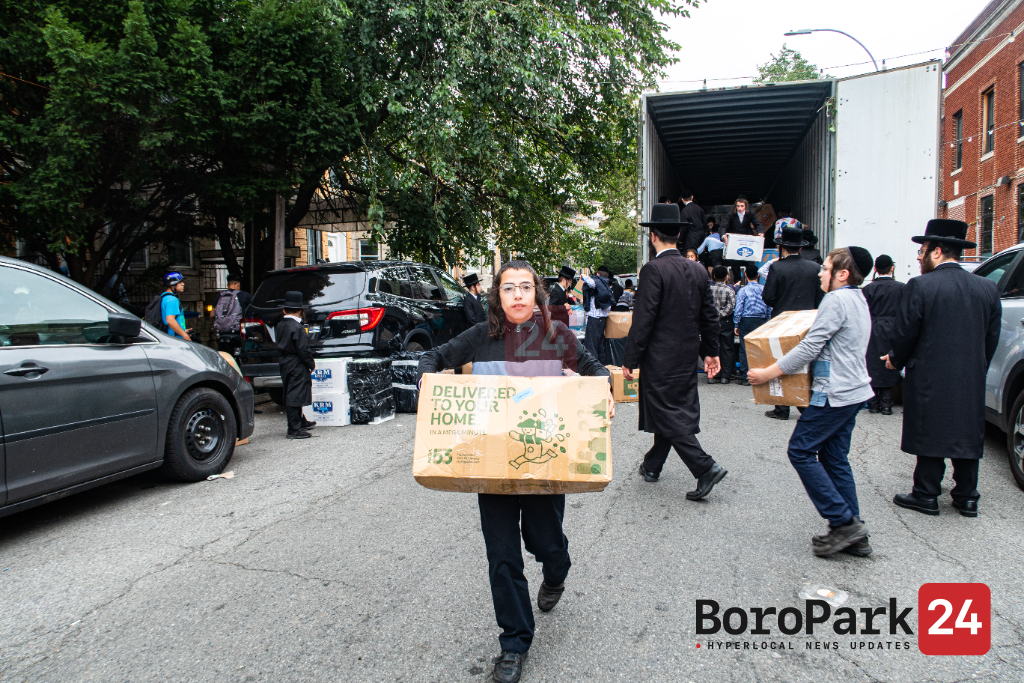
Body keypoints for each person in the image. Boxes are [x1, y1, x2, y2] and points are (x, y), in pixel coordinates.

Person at [418, 260, 613, 683]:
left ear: (537, 294)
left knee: (544, 542)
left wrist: (605, 393)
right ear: (498, 296)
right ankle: (514, 643)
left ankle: (557, 569)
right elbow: (434, 357)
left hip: (546, 463)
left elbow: (595, 370)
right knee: (502, 556)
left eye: (526, 287)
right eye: (509, 289)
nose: (518, 296)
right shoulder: (482, 337)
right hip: (491, 467)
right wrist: (426, 384)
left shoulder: (556, 337)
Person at [748, 247, 876, 556]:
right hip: (854, 392)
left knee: (801, 450)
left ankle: (844, 521)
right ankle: (853, 534)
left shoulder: (835, 300)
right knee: (834, 458)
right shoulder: (858, 299)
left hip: (834, 393)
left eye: (826, 268)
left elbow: (809, 348)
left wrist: (768, 373)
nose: (820, 272)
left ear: (842, 274)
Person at [883, 220, 1001, 518]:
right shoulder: (988, 288)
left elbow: (905, 332)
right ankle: (967, 497)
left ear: (937, 251)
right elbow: (991, 336)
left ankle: (926, 493)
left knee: (931, 427)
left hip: (929, 371)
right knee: (966, 428)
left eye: (922, 252)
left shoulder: (921, 285)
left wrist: (896, 359)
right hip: (970, 373)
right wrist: (977, 364)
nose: (919, 258)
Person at [623, 203, 727, 499]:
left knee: (667, 412)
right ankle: (652, 465)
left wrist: (630, 359)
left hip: (660, 358)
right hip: (686, 356)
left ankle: (704, 467)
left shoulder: (653, 269)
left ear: (652, 235)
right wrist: (711, 352)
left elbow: (643, 321)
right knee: (669, 410)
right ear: (679, 236)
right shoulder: (697, 269)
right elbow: (710, 316)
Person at [762, 224, 824, 420]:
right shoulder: (815, 268)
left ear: (782, 247)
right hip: (806, 322)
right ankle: (806, 405)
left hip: (781, 321)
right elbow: (820, 297)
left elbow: (768, 297)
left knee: (780, 363)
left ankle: (782, 408)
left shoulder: (777, 267)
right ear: (800, 247)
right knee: (805, 364)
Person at [861, 255, 904, 415]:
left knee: (871, 362)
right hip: (893, 327)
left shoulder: (868, 289)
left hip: (872, 327)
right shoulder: (901, 287)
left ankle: (873, 403)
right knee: (889, 361)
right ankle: (886, 403)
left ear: (875, 269)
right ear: (892, 268)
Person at [276, 291, 317, 439]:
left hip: (285, 361)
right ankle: (293, 429)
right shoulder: (297, 327)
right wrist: (311, 363)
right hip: (296, 362)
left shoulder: (280, 325)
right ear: (300, 311)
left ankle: (301, 421)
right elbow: (303, 349)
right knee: (295, 393)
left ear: (284, 310)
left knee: (290, 390)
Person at [733, 264, 772, 386]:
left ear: (745, 275)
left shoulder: (743, 290)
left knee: (744, 348)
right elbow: (769, 307)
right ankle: (759, 374)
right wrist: (767, 320)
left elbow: (738, 308)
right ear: (758, 275)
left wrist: (736, 323)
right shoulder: (764, 289)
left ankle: (745, 376)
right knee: (759, 348)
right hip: (761, 320)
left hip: (746, 321)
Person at [723, 196, 764, 282]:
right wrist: (724, 236)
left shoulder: (750, 213)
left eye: (742, 206)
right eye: (738, 206)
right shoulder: (731, 213)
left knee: (750, 260)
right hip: (735, 239)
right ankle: (738, 281)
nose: (740, 208)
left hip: (747, 239)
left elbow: (757, 224)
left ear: (745, 206)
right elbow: (723, 226)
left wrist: (761, 232)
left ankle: (751, 280)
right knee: (735, 261)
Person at [708, 266, 736, 384]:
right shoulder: (730, 290)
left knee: (712, 347)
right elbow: (731, 306)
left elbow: (704, 305)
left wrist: (713, 315)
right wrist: (721, 314)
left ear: (713, 276)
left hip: (710, 321)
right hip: (726, 321)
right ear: (726, 277)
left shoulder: (708, 289)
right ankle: (725, 376)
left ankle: (712, 375)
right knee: (727, 347)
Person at [581, 266, 614, 364]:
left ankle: (593, 371)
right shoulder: (607, 287)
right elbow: (609, 307)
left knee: (591, 347)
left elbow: (591, 282)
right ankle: (601, 368)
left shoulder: (596, 283)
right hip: (602, 320)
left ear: (598, 274)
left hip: (594, 320)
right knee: (600, 346)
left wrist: (583, 276)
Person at [213, 273, 252, 355]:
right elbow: (252, 312)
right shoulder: (245, 295)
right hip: (237, 332)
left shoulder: (219, 296)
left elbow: (212, 314)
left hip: (222, 333)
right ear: (238, 284)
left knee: (223, 355)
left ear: (228, 284)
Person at [161, 272, 193, 341]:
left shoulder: (164, 297)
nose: (183, 284)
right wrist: (185, 335)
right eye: (180, 282)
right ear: (173, 284)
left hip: (170, 338)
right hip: (175, 340)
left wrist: (182, 330)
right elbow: (170, 320)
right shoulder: (172, 300)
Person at [679, 188, 707, 253]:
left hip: (690, 239)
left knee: (690, 257)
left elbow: (683, 227)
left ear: (682, 199)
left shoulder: (684, 211)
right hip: (701, 237)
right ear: (692, 197)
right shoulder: (699, 208)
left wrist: (680, 239)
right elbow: (705, 223)